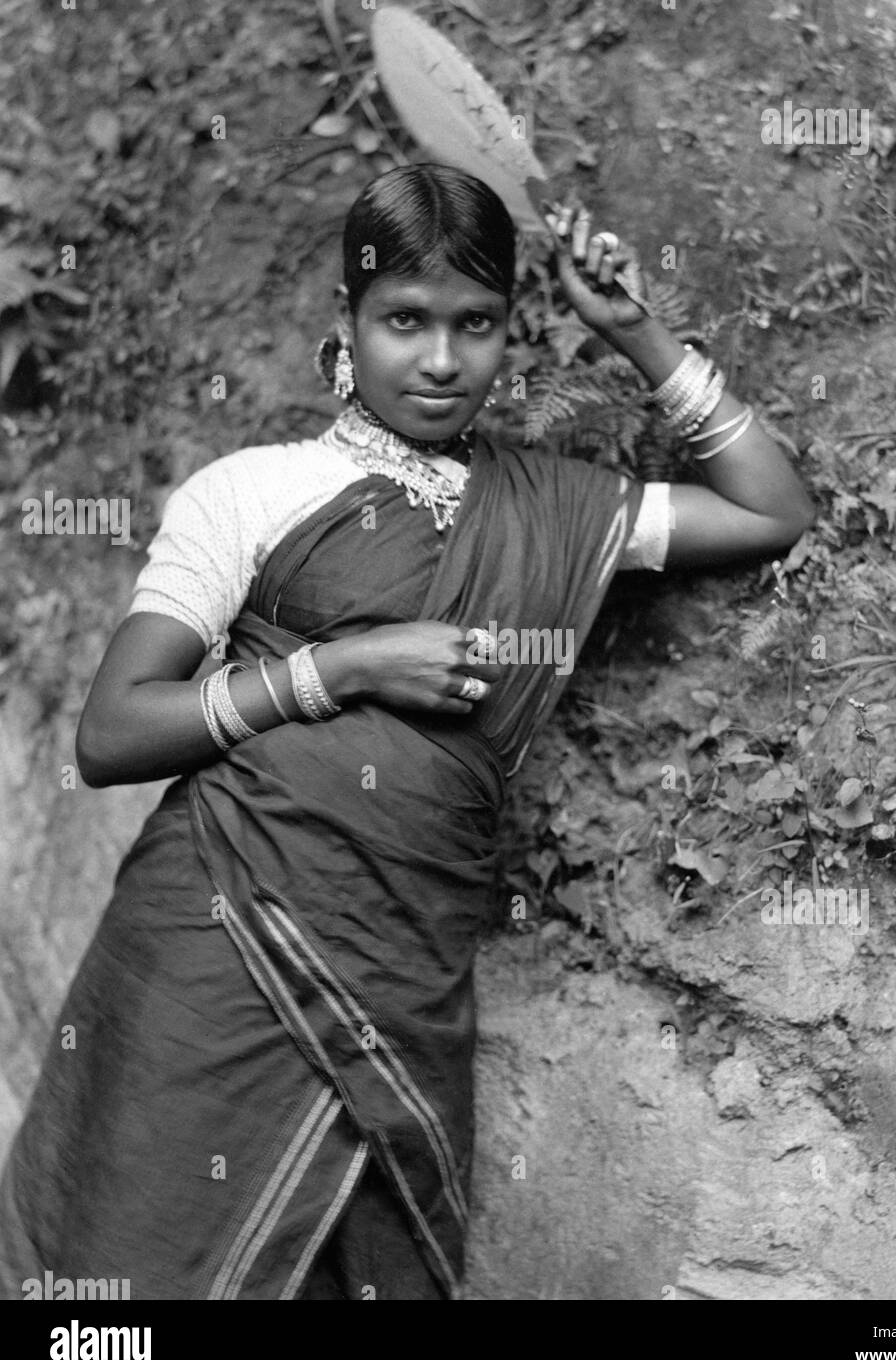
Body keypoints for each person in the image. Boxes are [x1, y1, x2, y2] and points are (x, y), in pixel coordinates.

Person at [0, 164, 814, 1301]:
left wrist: (637, 331)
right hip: (216, 935)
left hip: (405, 969)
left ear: (504, 333)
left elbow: (770, 510)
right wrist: (339, 668)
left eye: (472, 325)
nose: (439, 359)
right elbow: (112, 731)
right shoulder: (249, 494)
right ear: (347, 323)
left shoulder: (555, 509)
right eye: (404, 321)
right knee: (138, 1267)